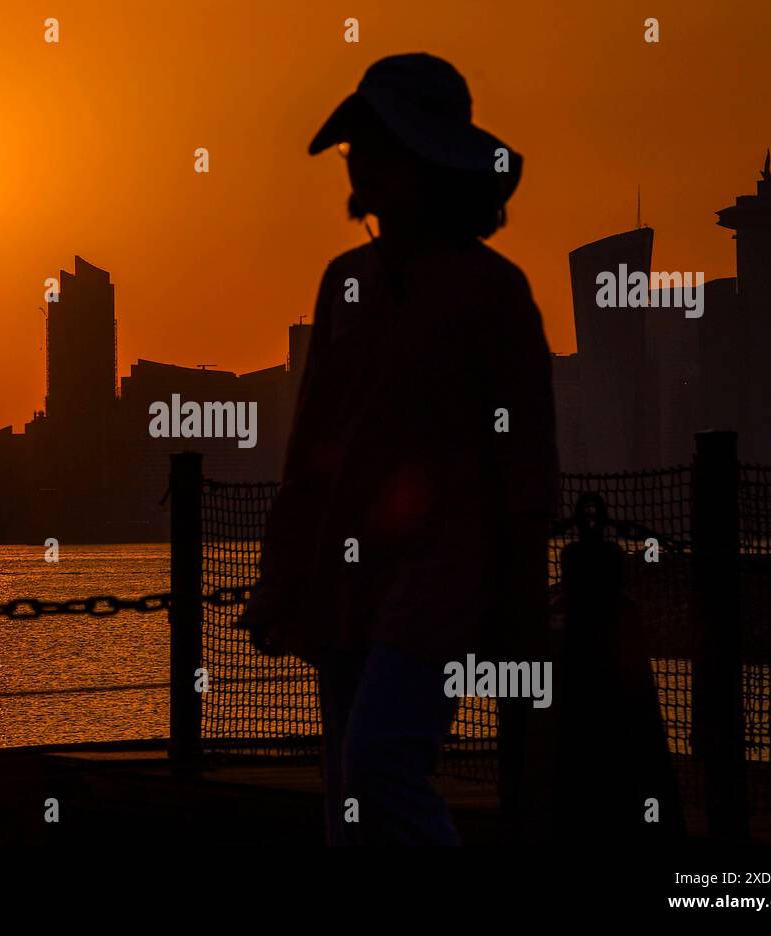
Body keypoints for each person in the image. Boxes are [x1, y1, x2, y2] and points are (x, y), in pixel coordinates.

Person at [238, 53, 559, 845]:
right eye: (361, 150)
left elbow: (525, 458)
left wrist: (520, 594)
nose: (363, 166)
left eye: (378, 148)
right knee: (348, 797)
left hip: (443, 576)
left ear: (427, 163)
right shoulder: (345, 282)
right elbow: (309, 445)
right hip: (347, 576)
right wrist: (282, 574)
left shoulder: (493, 290)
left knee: (379, 765)